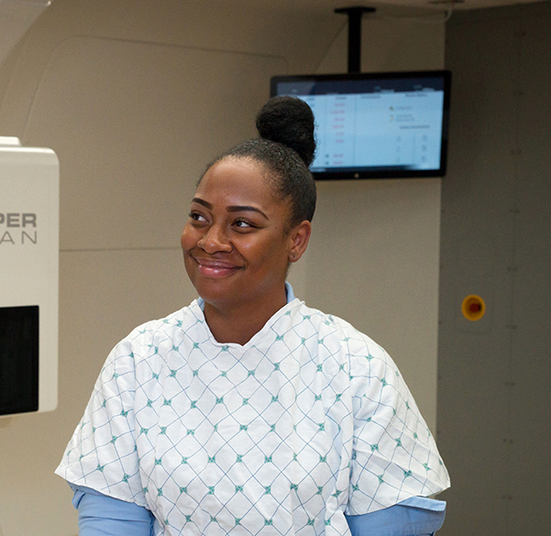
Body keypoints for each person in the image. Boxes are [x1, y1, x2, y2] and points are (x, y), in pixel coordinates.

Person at [56, 96, 450, 535]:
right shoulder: (138, 360)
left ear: (296, 241)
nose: (211, 241)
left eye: (242, 224)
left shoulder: (355, 365)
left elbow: (392, 523)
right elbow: (113, 520)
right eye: (199, 217)